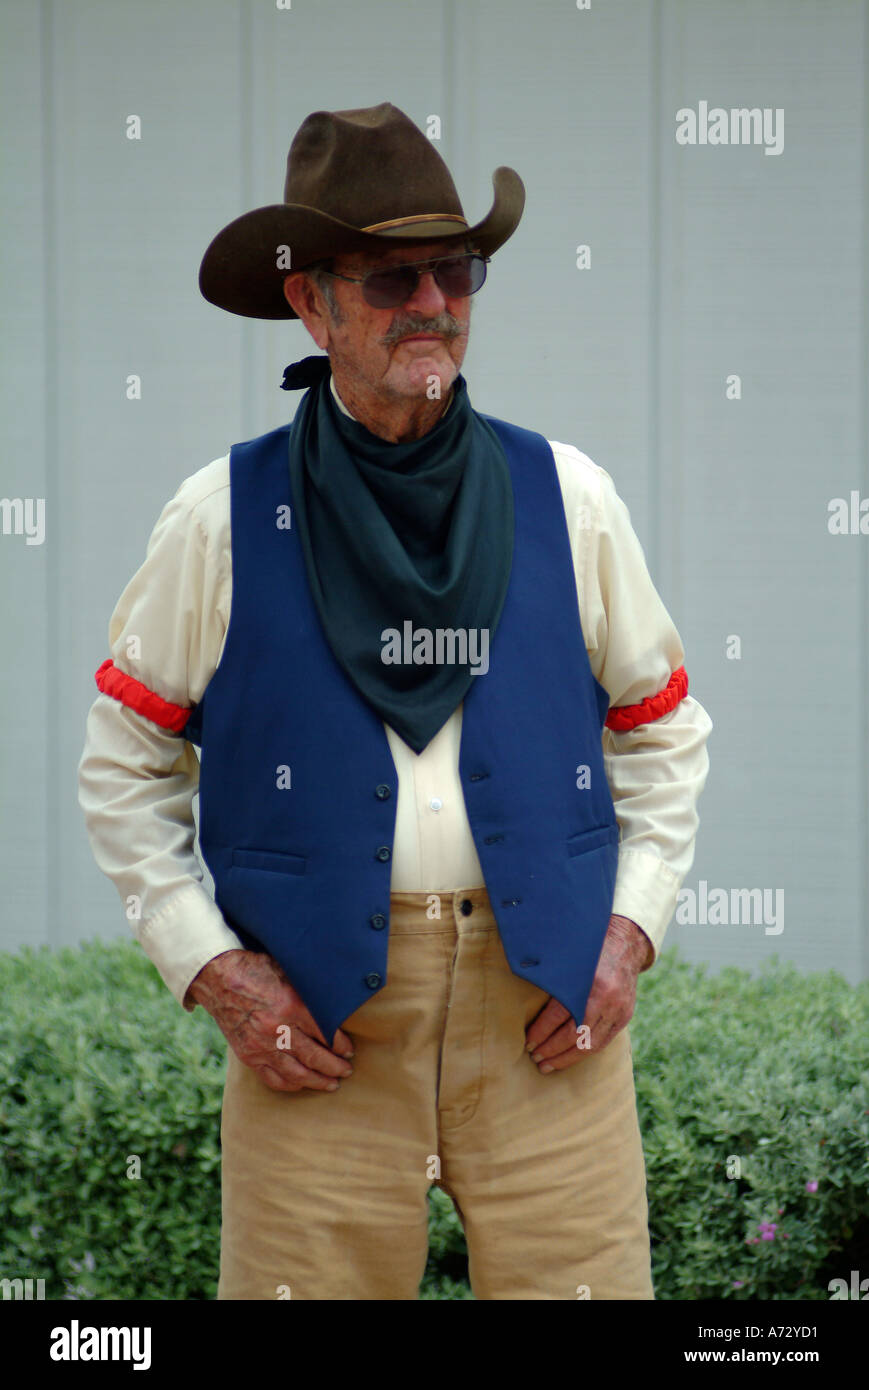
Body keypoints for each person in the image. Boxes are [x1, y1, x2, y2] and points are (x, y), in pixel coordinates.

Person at [78, 101, 712, 1301]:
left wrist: (626, 931)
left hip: (546, 1022)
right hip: (318, 1039)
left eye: (455, 269)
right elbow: (123, 761)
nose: (433, 301)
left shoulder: (566, 496)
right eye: (390, 279)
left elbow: (662, 725)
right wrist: (215, 971)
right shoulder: (218, 517)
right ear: (310, 303)